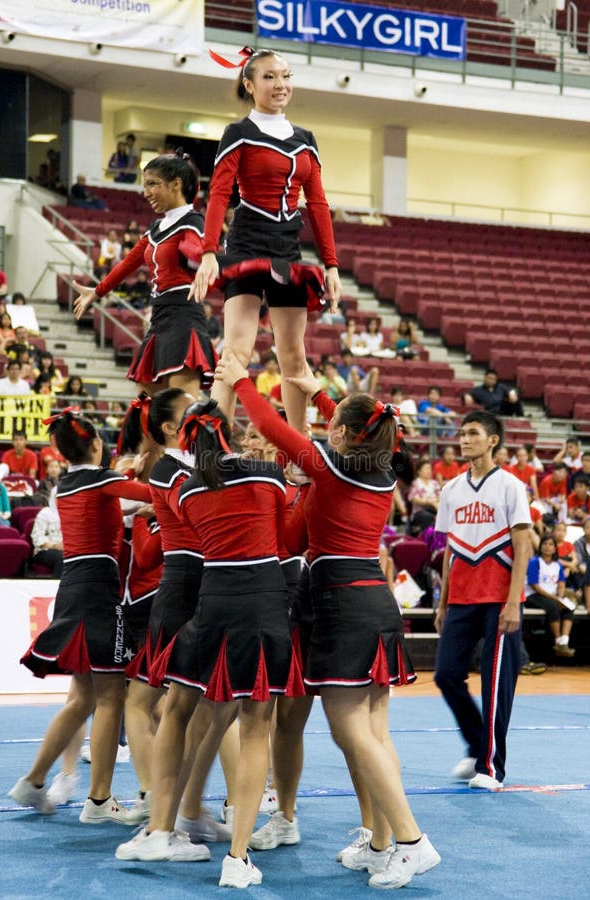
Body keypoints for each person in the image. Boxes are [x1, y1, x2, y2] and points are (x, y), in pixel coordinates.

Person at [217, 351, 440, 891]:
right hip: (372, 601)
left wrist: (241, 381)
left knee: (351, 733)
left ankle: (412, 842)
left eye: (332, 421)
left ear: (340, 433)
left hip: (343, 603)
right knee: (374, 734)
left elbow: (271, 426)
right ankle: (384, 844)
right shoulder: (381, 464)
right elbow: (362, 425)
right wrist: (319, 393)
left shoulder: (336, 464)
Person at [117, 397, 303, 889]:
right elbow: (289, 530)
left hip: (206, 597)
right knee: (239, 719)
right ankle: (197, 837)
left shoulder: (185, 486)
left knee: (195, 711)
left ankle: (178, 817)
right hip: (229, 595)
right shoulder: (261, 475)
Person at [8, 408, 152, 820]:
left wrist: (129, 486)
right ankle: (99, 800)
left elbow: (106, 512)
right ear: (95, 445)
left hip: (73, 584)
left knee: (81, 698)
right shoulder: (105, 481)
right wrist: (149, 476)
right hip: (96, 592)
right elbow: (153, 496)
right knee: (111, 696)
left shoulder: (66, 483)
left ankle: (33, 780)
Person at [190, 46, 342, 434]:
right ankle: (216, 445)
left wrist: (331, 264)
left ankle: (298, 448)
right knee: (237, 348)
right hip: (245, 244)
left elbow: (319, 203)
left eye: (286, 76)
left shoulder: (306, 138)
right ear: (249, 84)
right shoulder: (239, 133)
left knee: (293, 354)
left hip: (287, 248)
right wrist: (209, 251)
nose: (281, 85)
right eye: (270, 77)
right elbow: (219, 194)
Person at [434, 410, 531, 789]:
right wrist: (443, 603)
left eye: (472, 433)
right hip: (461, 596)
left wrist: (513, 601)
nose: (464, 439)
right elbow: (448, 550)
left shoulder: (511, 486)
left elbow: (522, 545)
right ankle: (478, 745)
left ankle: (491, 768)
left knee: (495, 683)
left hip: (498, 596)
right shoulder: (451, 489)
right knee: (445, 674)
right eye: (462, 433)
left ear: (493, 441)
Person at [73, 152, 216, 400]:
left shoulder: (193, 221)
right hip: (159, 318)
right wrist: (97, 292)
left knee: (183, 413)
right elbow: (128, 264)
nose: (146, 192)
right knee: (145, 414)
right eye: (144, 185)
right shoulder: (156, 228)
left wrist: (204, 257)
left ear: (176, 185)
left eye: (153, 184)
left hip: (184, 317)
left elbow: (195, 249)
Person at [525, 534, 575, 658]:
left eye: (551, 544)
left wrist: (560, 595)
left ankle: (564, 642)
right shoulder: (535, 562)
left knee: (569, 607)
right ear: (540, 546)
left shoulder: (557, 564)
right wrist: (554, 598)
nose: (548, 547)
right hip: (533, 595)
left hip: (552, 595)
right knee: (553, 607)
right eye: (545, 544)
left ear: (554, 548)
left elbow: (561, 582)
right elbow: (534, 585)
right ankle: (557, 642)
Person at [30, 491, 64, 577]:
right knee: (62, 557)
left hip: (68, 548)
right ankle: (59, 587)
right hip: (46, 549)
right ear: (53, 498)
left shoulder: (72, 513)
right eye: (58, 497)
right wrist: (55, 546)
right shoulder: (45, 513)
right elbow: (37, 536)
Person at [573, 517, 590, 613]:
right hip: (583, 571)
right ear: (584, 529)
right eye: (588, 528)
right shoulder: (578, 543)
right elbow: (579, 562)